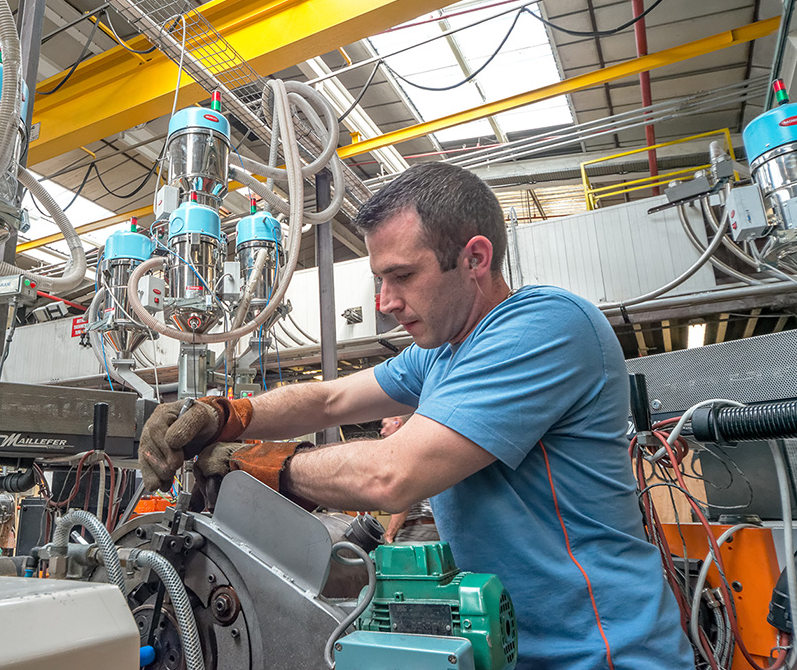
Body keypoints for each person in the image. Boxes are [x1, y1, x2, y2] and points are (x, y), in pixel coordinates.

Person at [140, 162, 692, 670]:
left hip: (605, 652)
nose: (384, 300)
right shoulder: (440, 353)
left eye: (401, 276)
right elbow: (331, 399)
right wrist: (226, 414)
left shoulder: (544, 325)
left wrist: (255, 465)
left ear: (475, 259)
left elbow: (392, 474)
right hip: (507, 651)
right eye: (380, 279)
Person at [378, 414, 438, 543]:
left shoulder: (406, 452)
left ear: (397, 423)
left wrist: (389, 535)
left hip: (417, 529)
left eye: (384, 425)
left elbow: (404, 498)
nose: (382, 432)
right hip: (432, 526)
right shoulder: (423, 447)